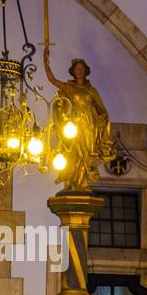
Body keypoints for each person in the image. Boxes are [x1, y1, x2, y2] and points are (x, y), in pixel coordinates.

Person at [43, 50, 115, 190]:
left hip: (89, 126)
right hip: (74, 125)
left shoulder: (91, 90)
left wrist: (101, 117)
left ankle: (82, 183)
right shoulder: (69, 87)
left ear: (86, 71)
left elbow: (100, 109)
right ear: (73, 72)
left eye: (82, 69)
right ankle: (69, 182)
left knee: (87, 155)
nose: (80, 71)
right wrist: (46, 63)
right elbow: (52, 80)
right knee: (73, 153)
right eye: (77, 69)